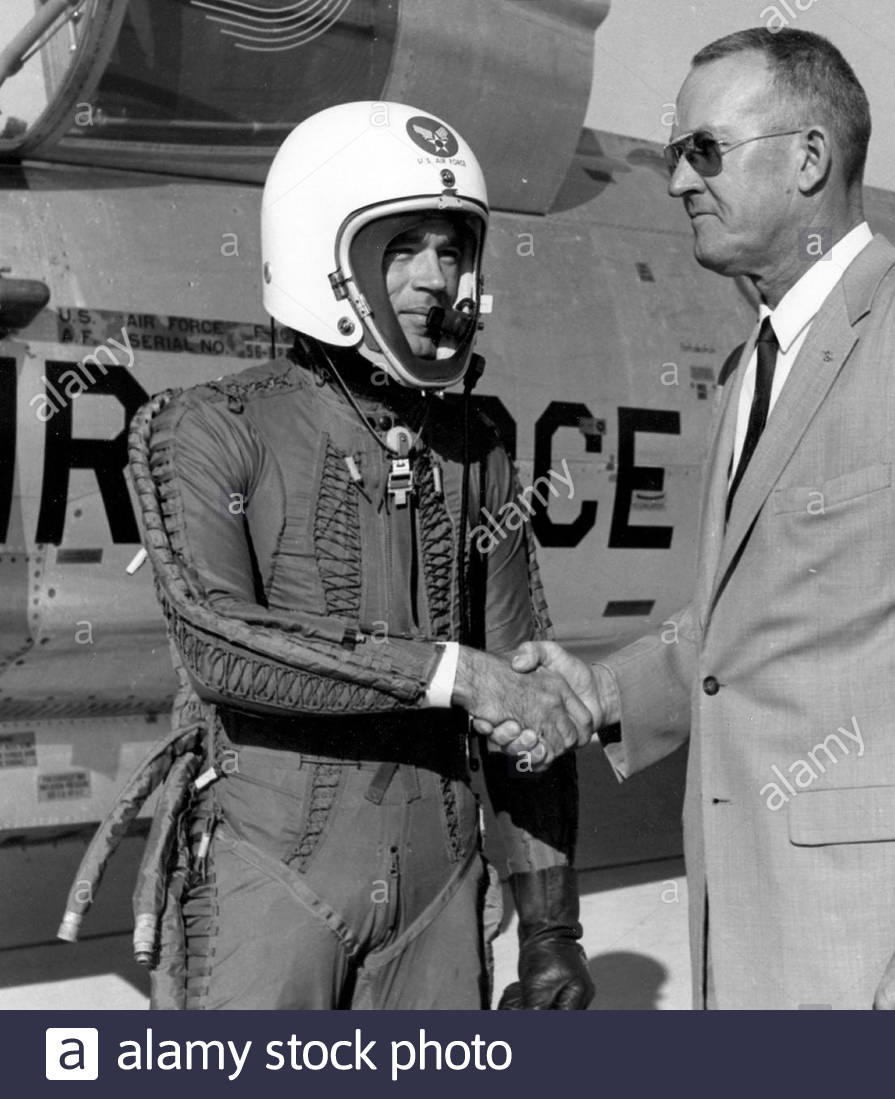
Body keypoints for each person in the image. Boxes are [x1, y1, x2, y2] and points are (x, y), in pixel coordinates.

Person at [487, 29, 895, 1009]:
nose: (677, 178)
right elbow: (740, 641)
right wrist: (601, 692)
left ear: (809, 158)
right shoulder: (749, 371)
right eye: (676, 150)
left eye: (704, 150)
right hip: (758, 940)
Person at [90, 102, 594, 1010]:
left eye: (452, 250)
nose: (436, 280)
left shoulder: (478, 446)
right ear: (328, 253)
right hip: (266, 881)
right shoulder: (205, 428)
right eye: (403, 248)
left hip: (442, 896)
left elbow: (532, 695)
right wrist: (455, 676)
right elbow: (225, 645)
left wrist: (551, 927)